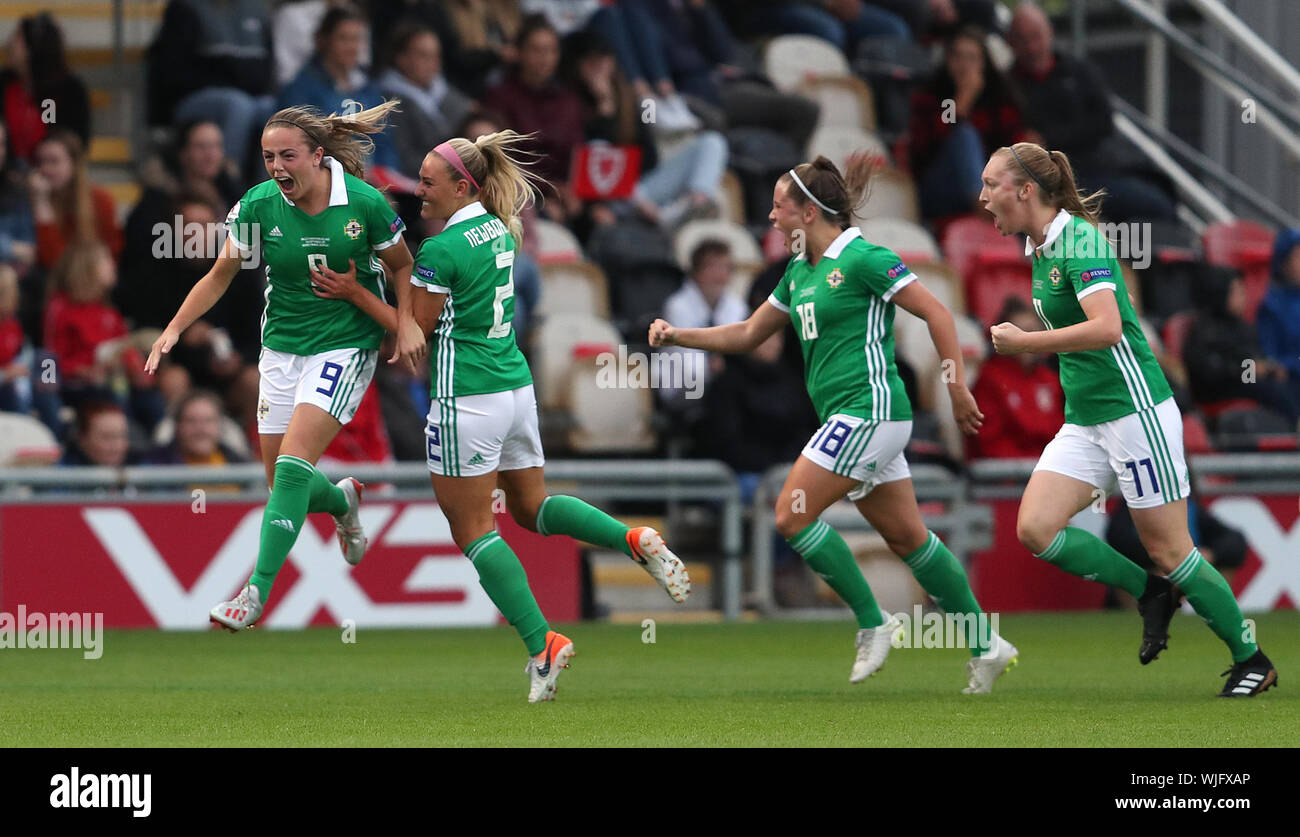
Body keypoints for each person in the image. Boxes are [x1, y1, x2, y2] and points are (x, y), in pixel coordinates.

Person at [650, 154, 1018, 693]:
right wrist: (679, 335)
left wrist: (956, 385)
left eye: (779, 206)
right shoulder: (800, 269)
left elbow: (938, 314)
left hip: (869, 410)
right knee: (909, 538)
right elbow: (751, 334)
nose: (770, 217)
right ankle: (986, 643)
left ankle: (874, 622)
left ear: (807, 212)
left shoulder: (866, 258)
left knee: (790, 515)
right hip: (862, 420)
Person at [397, 129, 691, 702]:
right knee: (531, 508)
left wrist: (358, 291)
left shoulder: (440, 250)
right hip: (514, 389)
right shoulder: (502, 230)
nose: (419, 192)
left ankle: (542, 645)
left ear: (462, 187)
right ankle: (632, 538)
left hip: (467, 396)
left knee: (474, 528)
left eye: (428, 183)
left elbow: (414, 333)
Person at [980, 141, 1277, 697]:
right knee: (1036, 529)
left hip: (1134, 412)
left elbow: (1109, 327)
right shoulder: (1040, 245)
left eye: (990, 185)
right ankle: (1150, 593)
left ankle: (1250, 658)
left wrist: (1028, 343)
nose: (982, 198)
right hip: (1087, 418)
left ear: (1024, 191)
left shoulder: (1080, 240)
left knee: (1171, 550)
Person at [144, 102, 424, 633]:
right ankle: (340, 500)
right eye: (268, 156)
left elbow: (403, 265)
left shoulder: (362, 204)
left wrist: (405, 322)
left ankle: (254, 593)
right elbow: (221, 273)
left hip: (344, 345)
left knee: (293, 466)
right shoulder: (258, 205)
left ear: (318, 156)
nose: (276, 166)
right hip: (281, 348)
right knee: (281, 480)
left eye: (287, 156)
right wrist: (175, 328)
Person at [909, 26, 1027, 220]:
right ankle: (986, 203)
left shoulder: (998, 98)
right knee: (964, 134)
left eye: (972, 58)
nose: (964, 65)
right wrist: (963, 99)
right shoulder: (935, 95)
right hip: (939, 187)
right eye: (957, 57)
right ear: (947, 61)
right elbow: (927, 146)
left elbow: (1013, 141)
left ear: (984, 64)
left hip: (996, 181)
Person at [966, 295, 1063, 459]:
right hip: (1005, 477)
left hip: (1051, 468)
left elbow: (1062, 434)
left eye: (1034, 332)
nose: (1028, 339)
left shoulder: (1050, 379)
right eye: (1021, 332)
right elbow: (989, 443)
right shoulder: (990, 379)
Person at [0, 13, 90, 162]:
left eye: (17, 39)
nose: (9, 45)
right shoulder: (5, 85)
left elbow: (74, 143)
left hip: (50, 174)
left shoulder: (68, 90)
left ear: (33, 48)